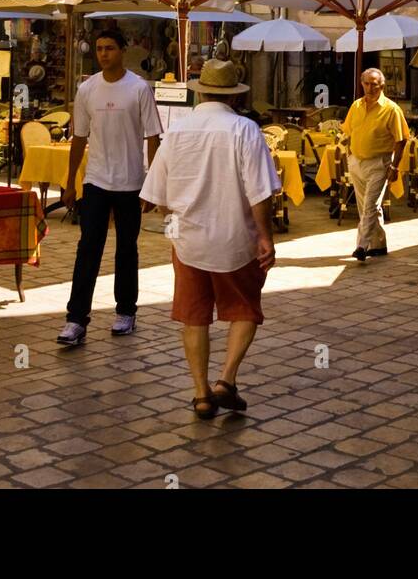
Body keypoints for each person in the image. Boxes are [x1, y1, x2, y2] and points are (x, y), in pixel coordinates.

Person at [140, 58, 279, 419]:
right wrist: (266, 236)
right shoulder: (246, 130)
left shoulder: (178, 133)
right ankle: (226, 379)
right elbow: (260, 192)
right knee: (246, 308)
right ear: (233, 97)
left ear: (200, 92)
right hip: (236, 238)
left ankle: (201, 393)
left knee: (194, 317)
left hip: (189, 240)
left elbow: (158, 198)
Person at [57, 27, 162, 345]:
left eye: (110, 48)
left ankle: (126, 311)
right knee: (88, 249)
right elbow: (79, 138)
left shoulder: (139, 88)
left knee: (126, 249)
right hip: (96, 181)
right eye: (100, 48)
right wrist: (70, 181)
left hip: (130, 182)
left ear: (122, 50)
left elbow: (153, 138)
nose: (103, 53)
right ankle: (76, 320)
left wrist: (153, 184)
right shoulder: (87, 89)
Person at [341, 67, 410, 261]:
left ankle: (362, 246)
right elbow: (349, 131)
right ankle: (378, 245)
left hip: (379, 163)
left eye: (374, 84)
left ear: (382, 86)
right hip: (356, 162)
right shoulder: (356, 106)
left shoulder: (391, 109)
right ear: (362, 83)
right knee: (367, 206)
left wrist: (395, 167)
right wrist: (349, 153)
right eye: (367, 83)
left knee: (370, 205)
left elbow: (401, 139)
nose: (370, 88)